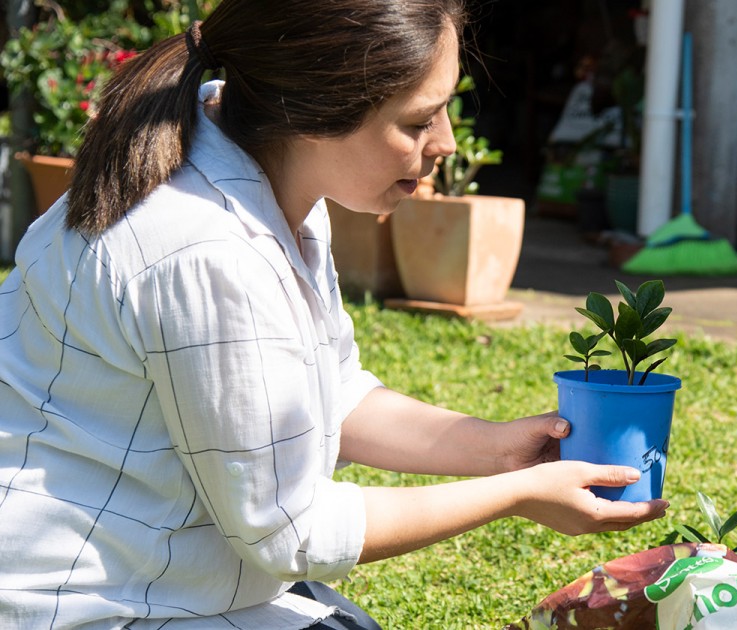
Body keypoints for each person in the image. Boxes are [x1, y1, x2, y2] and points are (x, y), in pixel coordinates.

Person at [0, 1, 668, 628]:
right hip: (82, 603)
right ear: (316, 110)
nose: (445, 143)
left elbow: (332, 394)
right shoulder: (206, 249)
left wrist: (500, 450)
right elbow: (290, 531)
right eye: (416, 122)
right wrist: (518, 497)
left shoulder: (261, 171)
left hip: (161, 576)